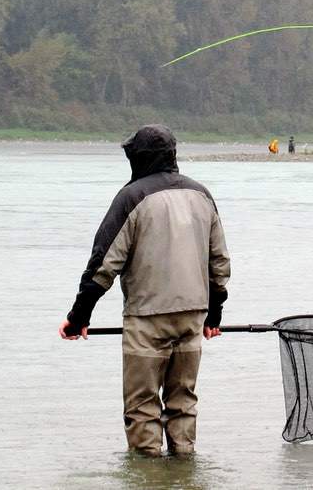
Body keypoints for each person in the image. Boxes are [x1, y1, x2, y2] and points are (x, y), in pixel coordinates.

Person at [58, 124, 232, 456]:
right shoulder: (202, 195)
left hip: (147, 317)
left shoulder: (131, 197)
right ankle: (183, 470)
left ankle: (148, 475)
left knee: (142, 407)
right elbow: (219, 263)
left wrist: (78, 317)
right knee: (183, 403)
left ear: (137, 158)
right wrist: (214, 315)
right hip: (193, 316)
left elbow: (103, 264)